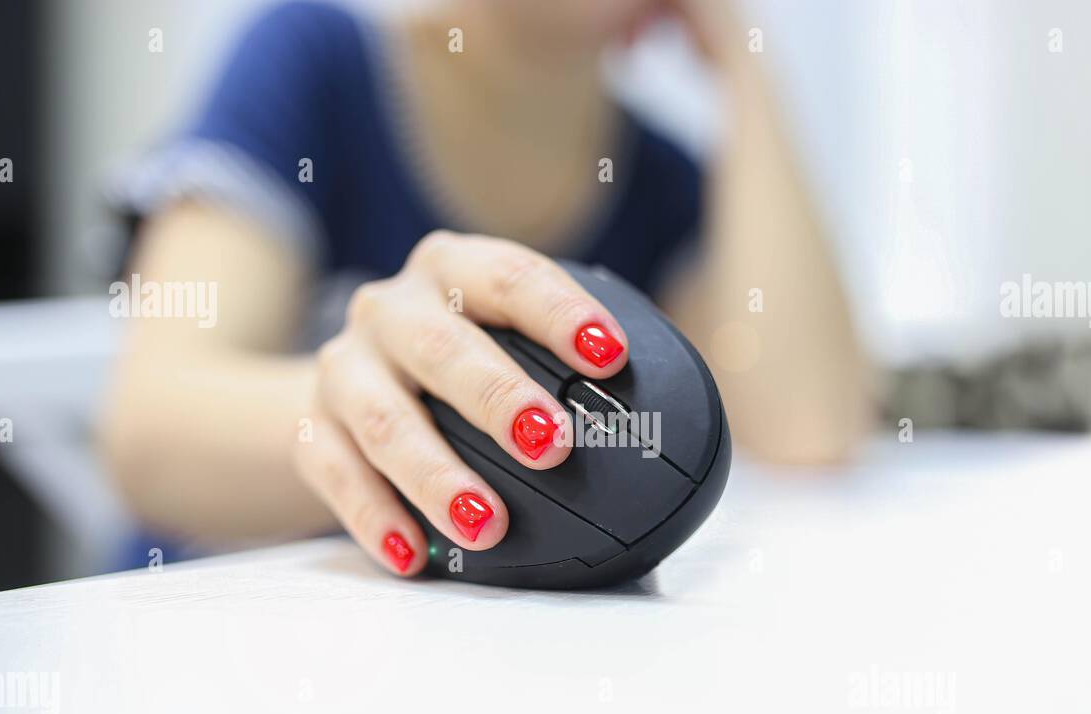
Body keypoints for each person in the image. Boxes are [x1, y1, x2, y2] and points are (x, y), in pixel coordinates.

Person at [101, 0, 866, 577]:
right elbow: (149, 431)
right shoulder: (313, 64)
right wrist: (384, 411)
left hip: (475, 662)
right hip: (225, 640)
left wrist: (743, 62)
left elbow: (808, 427)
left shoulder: (658, 179)